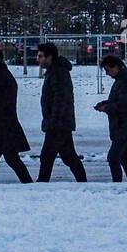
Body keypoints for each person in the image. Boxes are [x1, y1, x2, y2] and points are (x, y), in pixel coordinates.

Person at [35, 42, 87, 182]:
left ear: (49, 57)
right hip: (60, 122)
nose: (38, 59)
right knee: (68, 156)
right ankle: (83, 181)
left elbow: (60, 99)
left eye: (40, 56)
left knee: (47, 155)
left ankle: (41, 183)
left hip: (58, 123)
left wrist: (53, 120)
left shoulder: (58, 73)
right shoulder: (55, 71)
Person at [0, 48, 33, 184]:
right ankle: (28, 184)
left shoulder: (0, 78)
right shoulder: (2, 76)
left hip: (0, 129)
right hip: (1, 128)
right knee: (8, 160)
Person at [95, 54, 127, 182]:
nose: (107, 73)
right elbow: (118, 101)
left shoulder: (126, 81)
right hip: (123, 126)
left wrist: (106, 107)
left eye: (108, 70)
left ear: (116, 67)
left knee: (113, 158)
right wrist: (105, 104)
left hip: (124, 127)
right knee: (126, 159)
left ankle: (117, 184)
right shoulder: (122, 80)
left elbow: (124, 105)